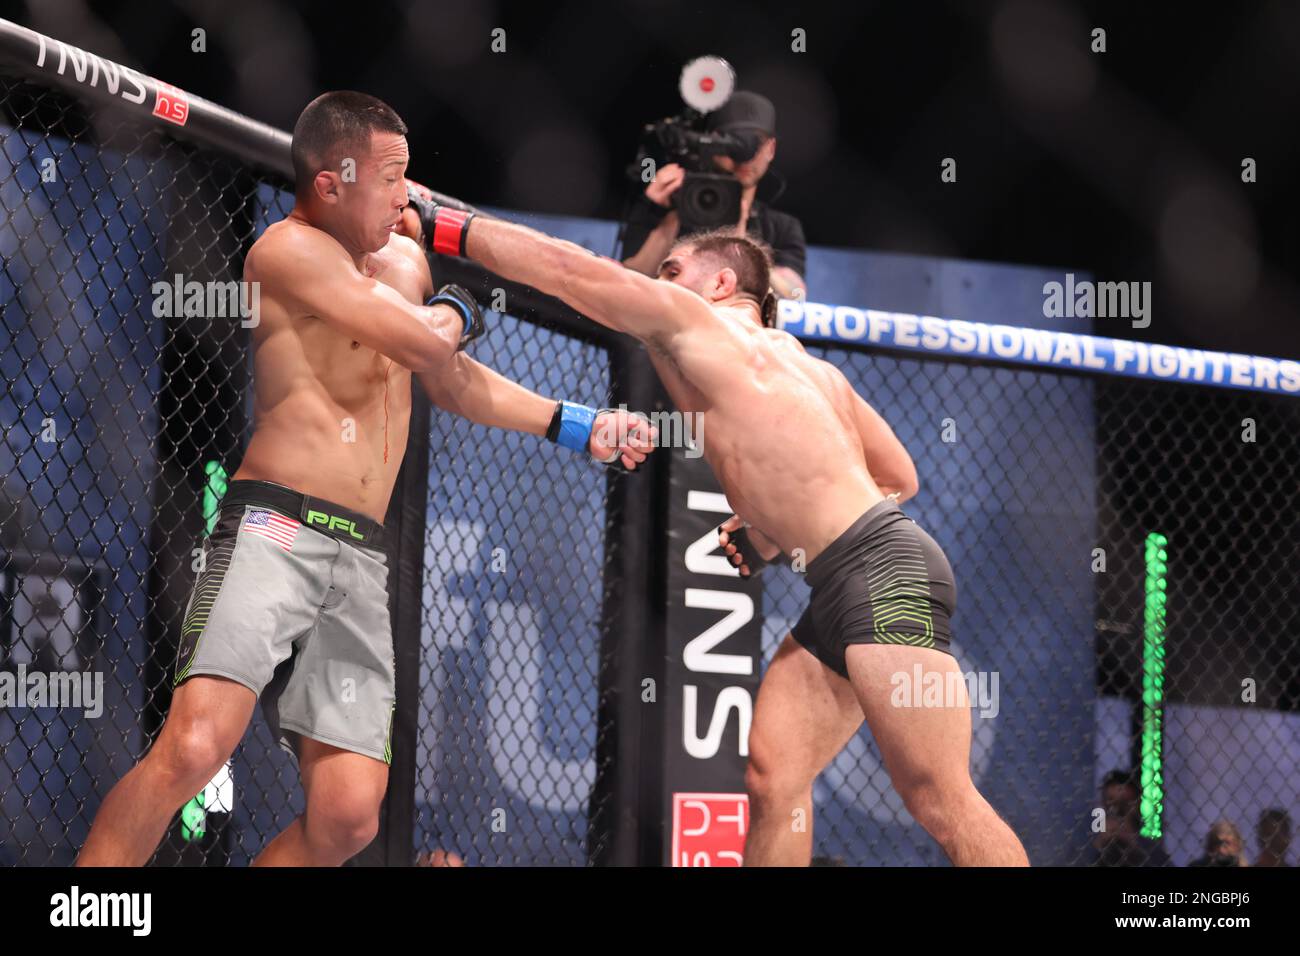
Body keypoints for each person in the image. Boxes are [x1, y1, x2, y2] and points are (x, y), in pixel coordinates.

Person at [76, 91, 654, 867]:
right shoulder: (286, 252)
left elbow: (447, 377)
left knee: (348, 818)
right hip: (274, 528)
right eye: (390, 178)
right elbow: (423, 340)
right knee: (195, 747)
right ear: (331, 183)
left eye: (408, 177)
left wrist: (574, 422)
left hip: (360, 554)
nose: (407, 196)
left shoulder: (407, 262)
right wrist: (460, 304)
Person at [409, 197, 1028, 866]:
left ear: (721, 284)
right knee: (775, 778)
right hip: (847, 577)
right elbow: (900, 476)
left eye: (673, 269)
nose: (659, 283)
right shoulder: (810, 369)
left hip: (882, 569)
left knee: (939, 797)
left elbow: (567, 269)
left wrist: (445, 223)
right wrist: (769, 531)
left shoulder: (697, 321)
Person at [621, 91, 807, 300]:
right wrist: (666, 226)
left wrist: (742, 246)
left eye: (752, 145)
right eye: (733, 145)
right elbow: (629, 286)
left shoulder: (782, 227)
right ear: (710, 145)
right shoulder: (665, 206)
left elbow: (795, 296)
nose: (742, 159)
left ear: (771, 149)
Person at [1085, 769, 1171, 867]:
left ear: (1136, 806)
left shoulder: (1149, 849)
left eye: (1123, 807)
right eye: (1110, 807)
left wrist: (1132, 846)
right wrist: (1100, 846)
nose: (1115, 814)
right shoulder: (1089, 847)